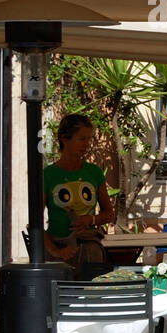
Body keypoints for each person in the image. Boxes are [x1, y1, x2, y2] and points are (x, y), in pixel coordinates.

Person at [44, 114, 115, 270]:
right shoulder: (48, 175)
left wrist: (91, 220)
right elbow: (34, 222)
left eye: (89, 139)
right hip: (58, 251)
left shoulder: (94, 172)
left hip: (90, 248)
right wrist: (55, 251)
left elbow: (109, 214)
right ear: (64, 139)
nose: (87, 144)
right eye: (82, 139)